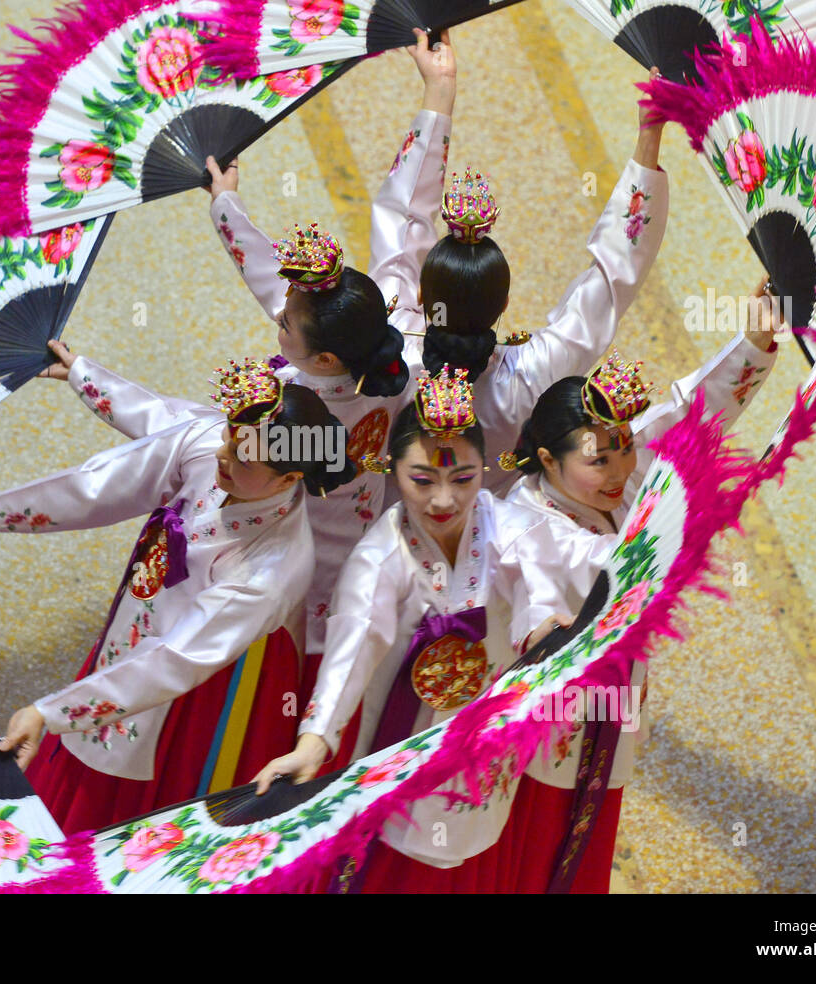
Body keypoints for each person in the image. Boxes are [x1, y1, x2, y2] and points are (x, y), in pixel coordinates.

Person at [0, 361, 356, 831]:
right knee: (116, 672)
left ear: (289, 479)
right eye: (229, 441)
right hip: (146, 624)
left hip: (208, 666)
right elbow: (111, 475)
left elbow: (173, 661)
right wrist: (79, 373)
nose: (223, 457)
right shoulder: (221, 450)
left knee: (137, 767)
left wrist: (49, 711)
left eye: (244, 459)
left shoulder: (273, 568)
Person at [203, 30, 454, 756]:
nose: (278, 319)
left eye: (287, 323)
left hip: (279, 560)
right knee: (335, 692)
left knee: (258, 699)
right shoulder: (396, 351)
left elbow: (213, 454)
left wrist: (225, 203)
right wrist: (438, 93)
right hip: (365, 561)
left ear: (323, 353)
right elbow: (410, 217)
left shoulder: (283, 415)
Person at [494, 279, 783, 892]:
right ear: (547, 460)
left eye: (625, 451)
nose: (623, 471)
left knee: (589, 832)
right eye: (601, 460)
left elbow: (688, 411)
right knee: (533, 842)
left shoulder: (608, 470)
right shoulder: (528, 524)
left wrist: (754, 340)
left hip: (614, 693)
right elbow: (575, 578)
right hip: (548, 711)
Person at [252, 367, 560, 892]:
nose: (444, 500)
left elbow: (537, 581)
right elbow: (351, 649)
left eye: (463, 478)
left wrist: (545, 627)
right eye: (422, 480)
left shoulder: (510, 526)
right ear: (392, 470)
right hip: (394, 738)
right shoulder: (379, 557)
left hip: (479, 737)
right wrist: (314, 740)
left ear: (484, 469)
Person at [419, 67, 671, 496]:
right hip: (503, 542)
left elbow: (401, 214)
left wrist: (439, 88)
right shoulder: (533, 371)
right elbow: (612, 279)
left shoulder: (390, 365)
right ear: (504, 304)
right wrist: (649, 134)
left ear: (421, 297)